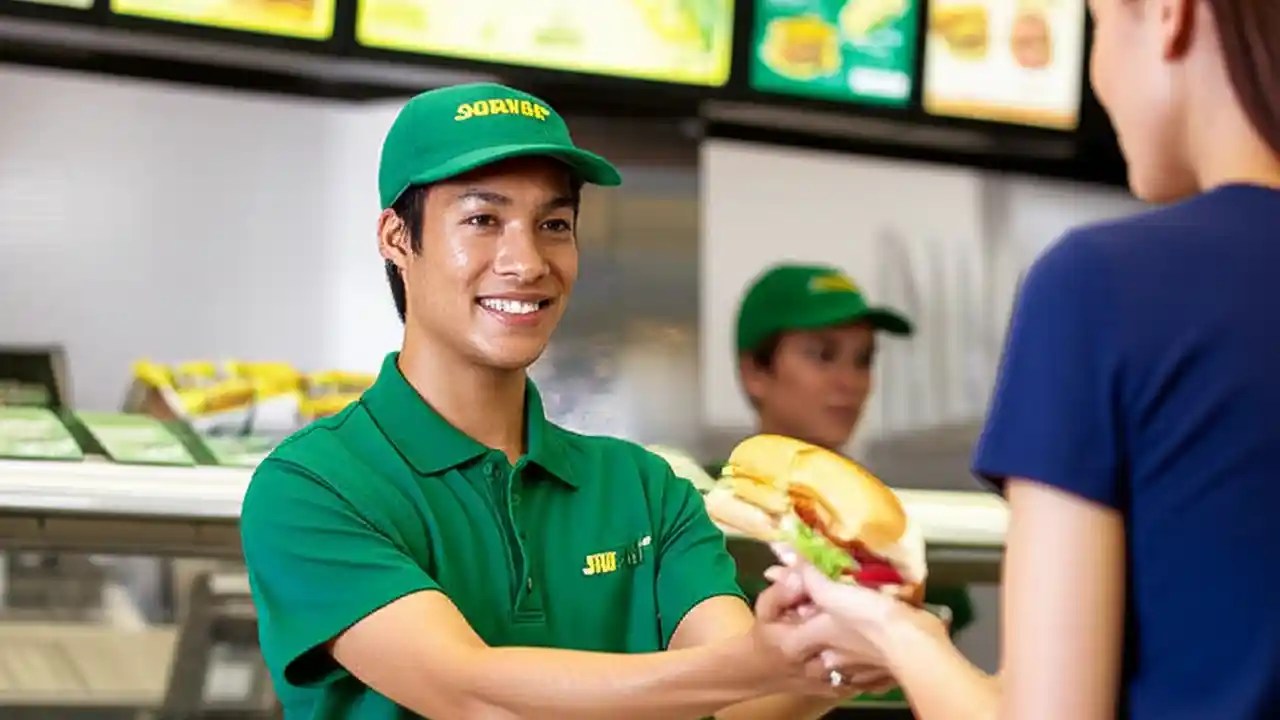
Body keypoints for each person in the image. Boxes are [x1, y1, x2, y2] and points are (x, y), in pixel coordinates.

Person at [238, 82, 863, 720]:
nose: (527, 261)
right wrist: (762, 661)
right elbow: (472, 693)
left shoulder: (646, 489)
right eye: (483, 220)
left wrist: (837, 656)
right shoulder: (313, 485)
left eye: (553, 225)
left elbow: (741, 702)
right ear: (397, 238)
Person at [764, 1, 1280, 719]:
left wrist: (889, 630)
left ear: (1170, 15)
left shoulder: (1104, 284)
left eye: (1098, 25)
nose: (1098, 76)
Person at [724, 264, 976, 691]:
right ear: (755, 373)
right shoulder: (701, 503)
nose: (850, 382)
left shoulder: (888, 520)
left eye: (863, 360)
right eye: (822, 355)